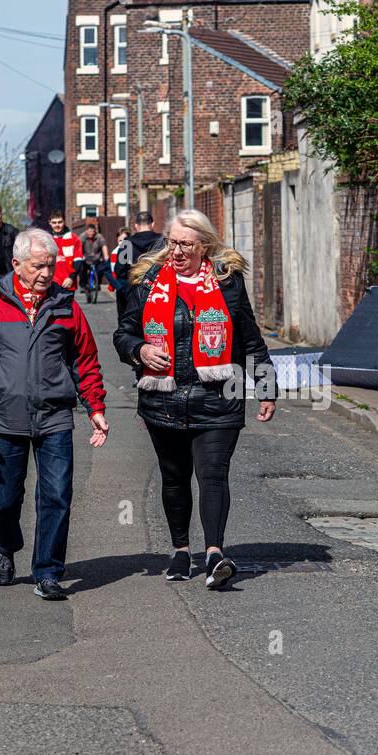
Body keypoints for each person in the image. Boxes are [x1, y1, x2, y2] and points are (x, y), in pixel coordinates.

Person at [113, 208, 276, 589]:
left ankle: (216, 553)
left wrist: (266, 388)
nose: (176, 251)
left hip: (218, 399)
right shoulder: (147, 281)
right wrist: (139, 351)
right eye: (171, 242)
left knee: (212, 474)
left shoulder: (228, 283)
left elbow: (250, 339)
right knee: (174, 477)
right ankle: (182, 550)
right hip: (163, 399)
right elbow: (123, 335)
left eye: (185, 244)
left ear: (204, 245)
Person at [0, 227, 110, 601]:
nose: (46, 274)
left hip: (54, 416)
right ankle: (5, 547)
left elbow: (85, 361)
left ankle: (48, 572)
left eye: (51, 266)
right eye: (38, 266)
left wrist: (96, 407)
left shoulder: (66, 305)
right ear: (17, 264)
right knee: (5, 498)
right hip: (5, 415)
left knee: (56, 495)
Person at [113, 211, 163, 321]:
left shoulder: (127, 243)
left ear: (136, 226)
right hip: (157, 292)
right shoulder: (161, 241)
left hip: (133, 293)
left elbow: (119, 270)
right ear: (152, 224)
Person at [48, 212, 82, 292]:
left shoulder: (74, 238)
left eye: (60, 222)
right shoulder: (46, 239)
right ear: (50, 223)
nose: (57, 225)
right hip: (50, 282)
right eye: (54, 222)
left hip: (67, 282)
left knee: (67, 304)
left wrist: (71, 278)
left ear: (64, 222)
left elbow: (78, 261)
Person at [80, 221, 112, 304]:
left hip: (96, 259)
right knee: (81, 269)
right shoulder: (82, 237)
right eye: (89, 231)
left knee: (102, 268)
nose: (91, 233)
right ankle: (84, 285)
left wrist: (106, 256)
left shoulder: (99, 237)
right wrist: (80, 256)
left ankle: (97, 283)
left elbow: (104, 246)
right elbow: (79, 247)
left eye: (93, 232)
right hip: (85, 259)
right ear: (86, 231)